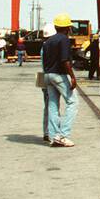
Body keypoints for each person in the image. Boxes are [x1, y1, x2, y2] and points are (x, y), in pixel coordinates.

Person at [42, 13, 78, 147]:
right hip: (59, 75)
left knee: (52, 105)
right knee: (73, 102)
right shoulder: (64, 40)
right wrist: (73, 77)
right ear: (67, 28)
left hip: (48, 75)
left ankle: (53, 136)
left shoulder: (48, 41)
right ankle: (63, 135)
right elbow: (65, 61)